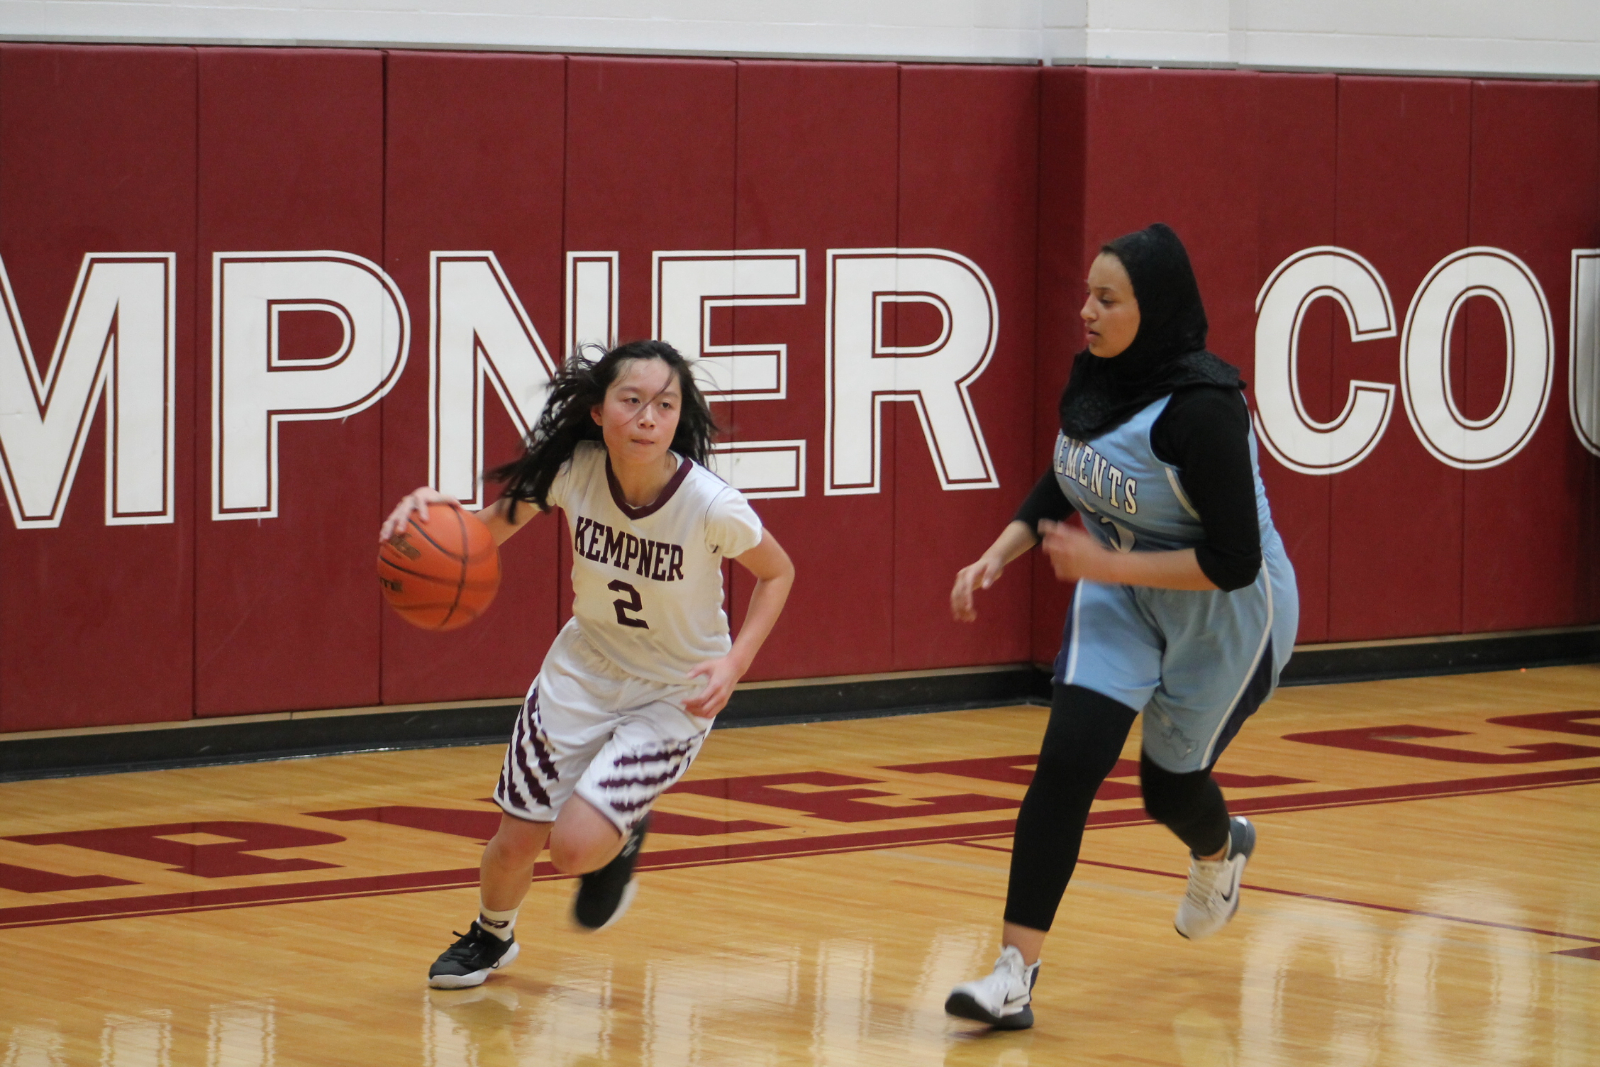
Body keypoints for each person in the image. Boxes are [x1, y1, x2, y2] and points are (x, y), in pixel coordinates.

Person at [943, 224, 1298, 1030]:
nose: (1086, 312)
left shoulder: (1205, 411)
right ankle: (1013, 974)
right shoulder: (1102, 377)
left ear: (1156, 307)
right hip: (1124, 590)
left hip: (1228, 612)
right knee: (1067, 761)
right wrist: (1001, 551)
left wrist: (1105, 566)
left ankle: (1220, 849)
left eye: (1107, 299)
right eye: (1087, 295)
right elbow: (1072, 470)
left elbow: (1234, 559)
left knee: (1166, 787)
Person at [380, 339, 795, 990]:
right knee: (517, 838)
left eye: (665, 404)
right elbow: (481, 534)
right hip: (585, 667)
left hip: (674, 689)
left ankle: (620, 835)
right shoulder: (575, 469)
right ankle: (492, 935)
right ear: (599, 412)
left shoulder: (710, 503)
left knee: (574, 847)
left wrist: (735, 663)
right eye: (632, 401)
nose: (649, 417)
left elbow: (778, 572)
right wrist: (429, 519)